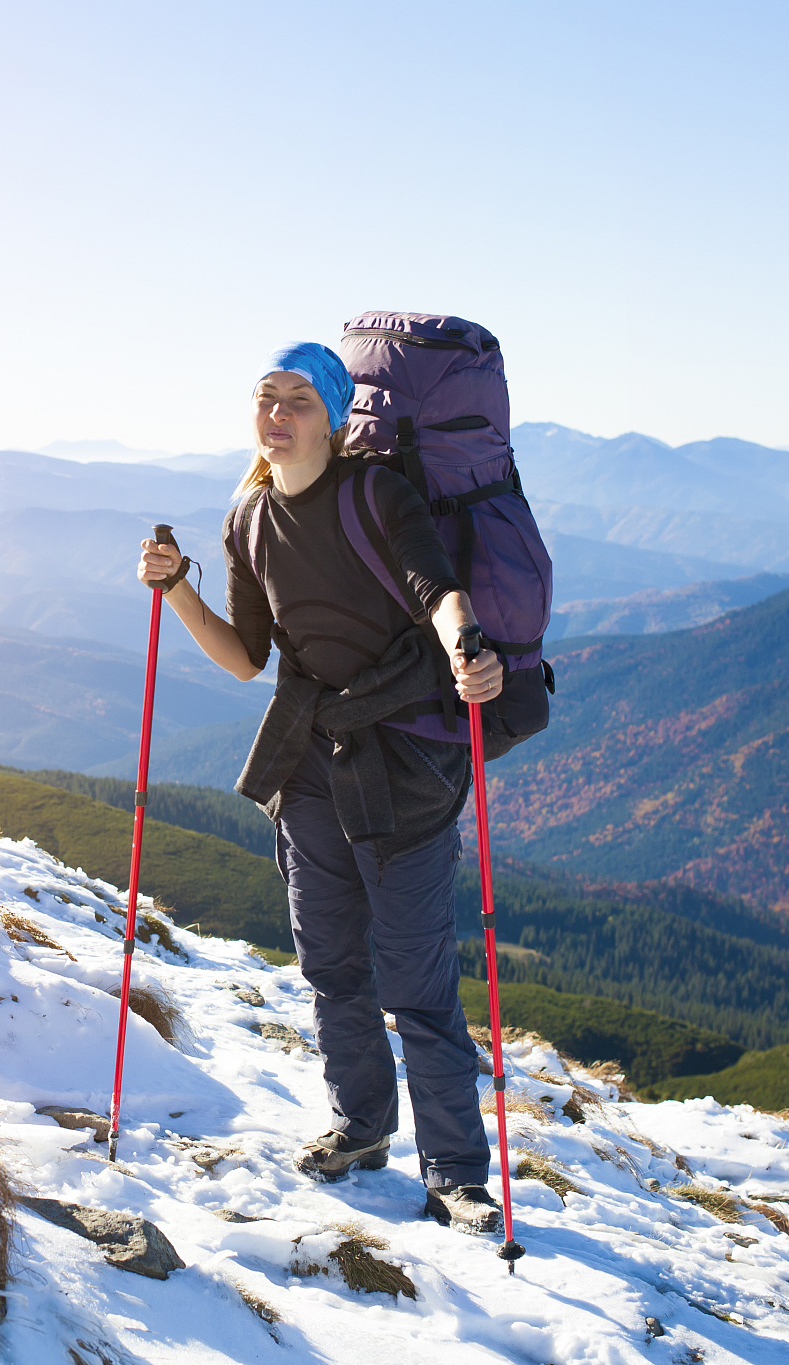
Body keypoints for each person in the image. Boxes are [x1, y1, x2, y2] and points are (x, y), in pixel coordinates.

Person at [135, 341, 507, 1235]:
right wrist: (178, 588)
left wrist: (467, 646)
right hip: (310, 762)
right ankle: (361, 1126)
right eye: (266, 397)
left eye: (298, 399)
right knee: (332, 963)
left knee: (418, 982)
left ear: (334, 416)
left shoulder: (376, 493)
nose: (278, 413)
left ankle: (456, 1174)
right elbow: (246, 658)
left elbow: (438, 589)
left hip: (406, 762)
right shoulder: (248, 514)